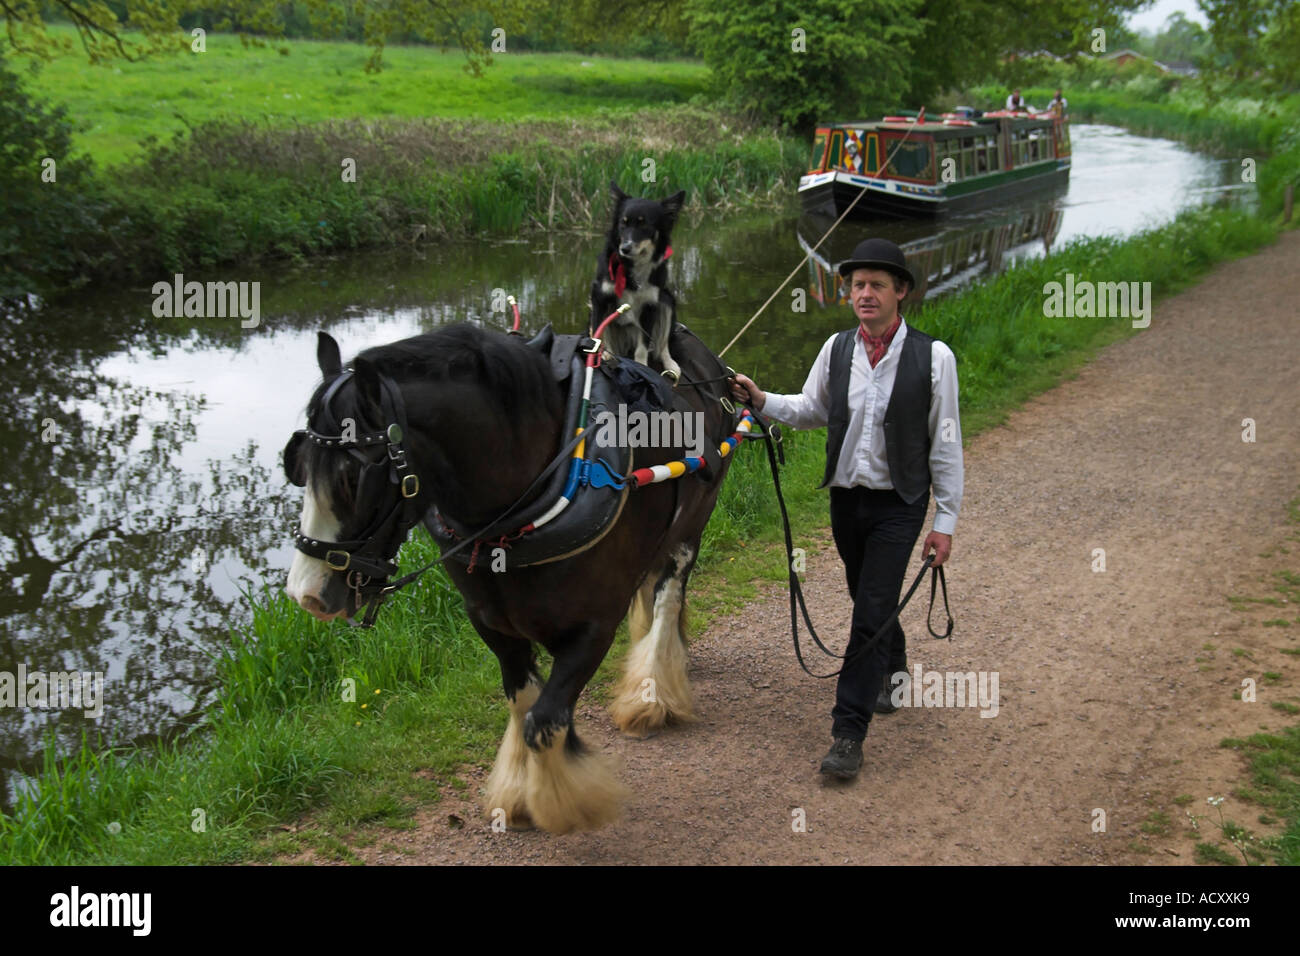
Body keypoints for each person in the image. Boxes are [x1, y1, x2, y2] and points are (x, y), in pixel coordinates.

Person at [730, 238, 963, 780]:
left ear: (900, 292)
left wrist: (944, 521)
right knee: (870, 599)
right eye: (858, 284)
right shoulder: (836, 350)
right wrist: (762, 400)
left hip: (901, 504)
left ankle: (847, 733)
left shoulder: (936, 358)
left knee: (869, 611)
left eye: (877, 284)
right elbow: (813, 409)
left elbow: (946, 444)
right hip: (846, 500)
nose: (866, 293)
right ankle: (895, 666)